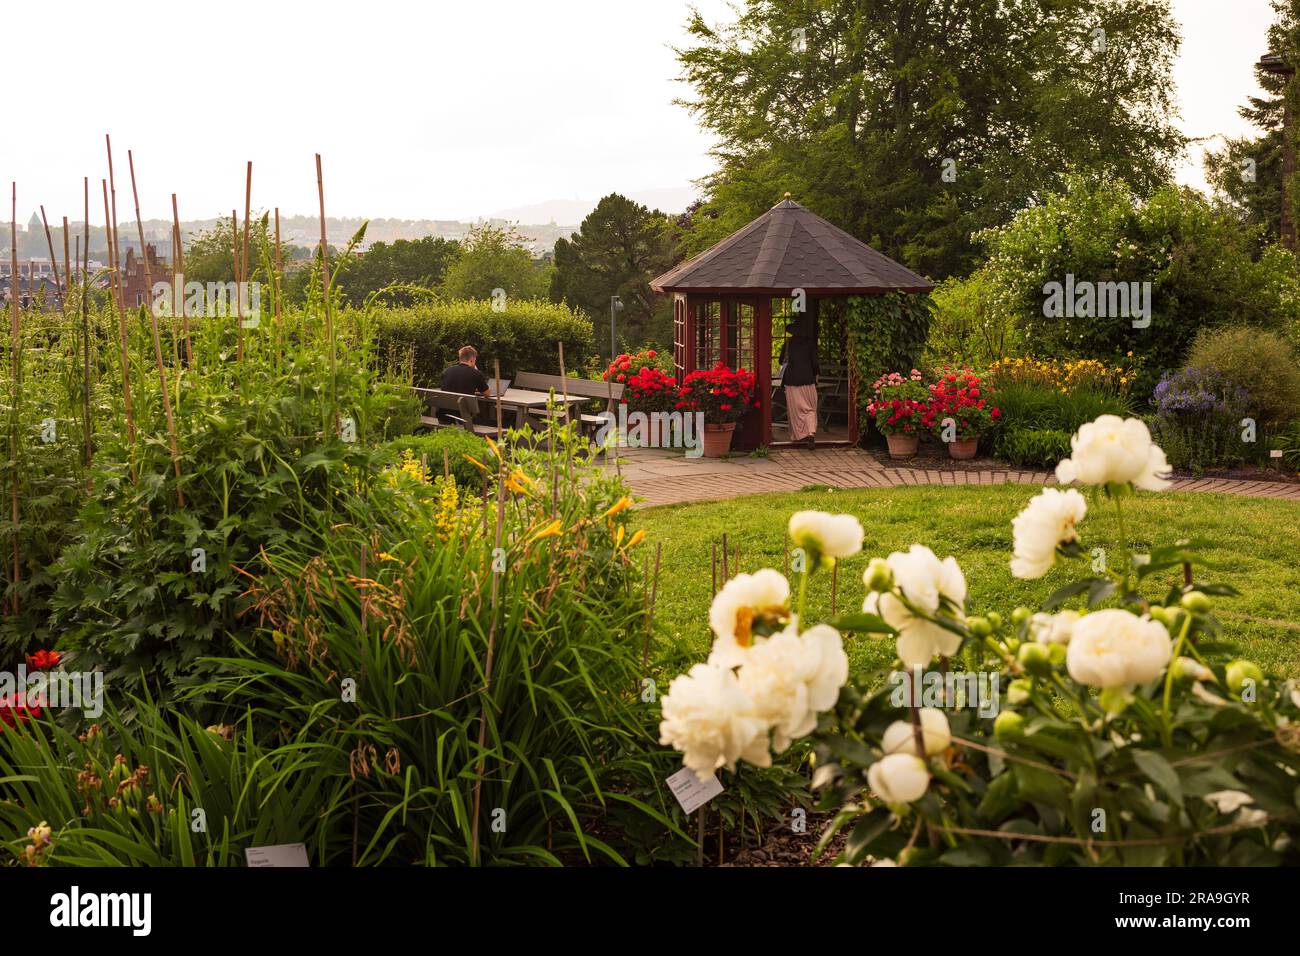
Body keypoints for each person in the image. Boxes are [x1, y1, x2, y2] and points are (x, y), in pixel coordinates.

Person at [779, 321, 819, 448]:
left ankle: (799, 435)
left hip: (792, 381)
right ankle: (811, 432)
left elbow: (781, 361)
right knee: (810, 408)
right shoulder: (810, 344)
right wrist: (816, 375)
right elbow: (815, 364)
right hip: (808, 381)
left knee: (796, 410)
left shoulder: (788, 344)